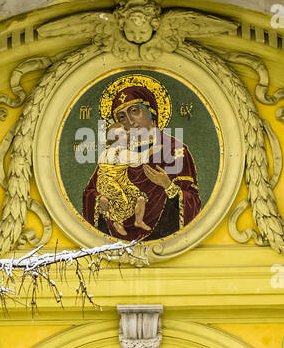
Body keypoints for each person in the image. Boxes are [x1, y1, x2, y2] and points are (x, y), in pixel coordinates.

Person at [81, 82, 201, 241]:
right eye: (122, 117)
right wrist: (100, 199)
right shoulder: (116, 152)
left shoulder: (175, 150)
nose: (129, 121)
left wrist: (168, 186)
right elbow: (91, 191)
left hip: (164, 236)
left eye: (134, 111)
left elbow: (192, 200)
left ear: (152, 113)